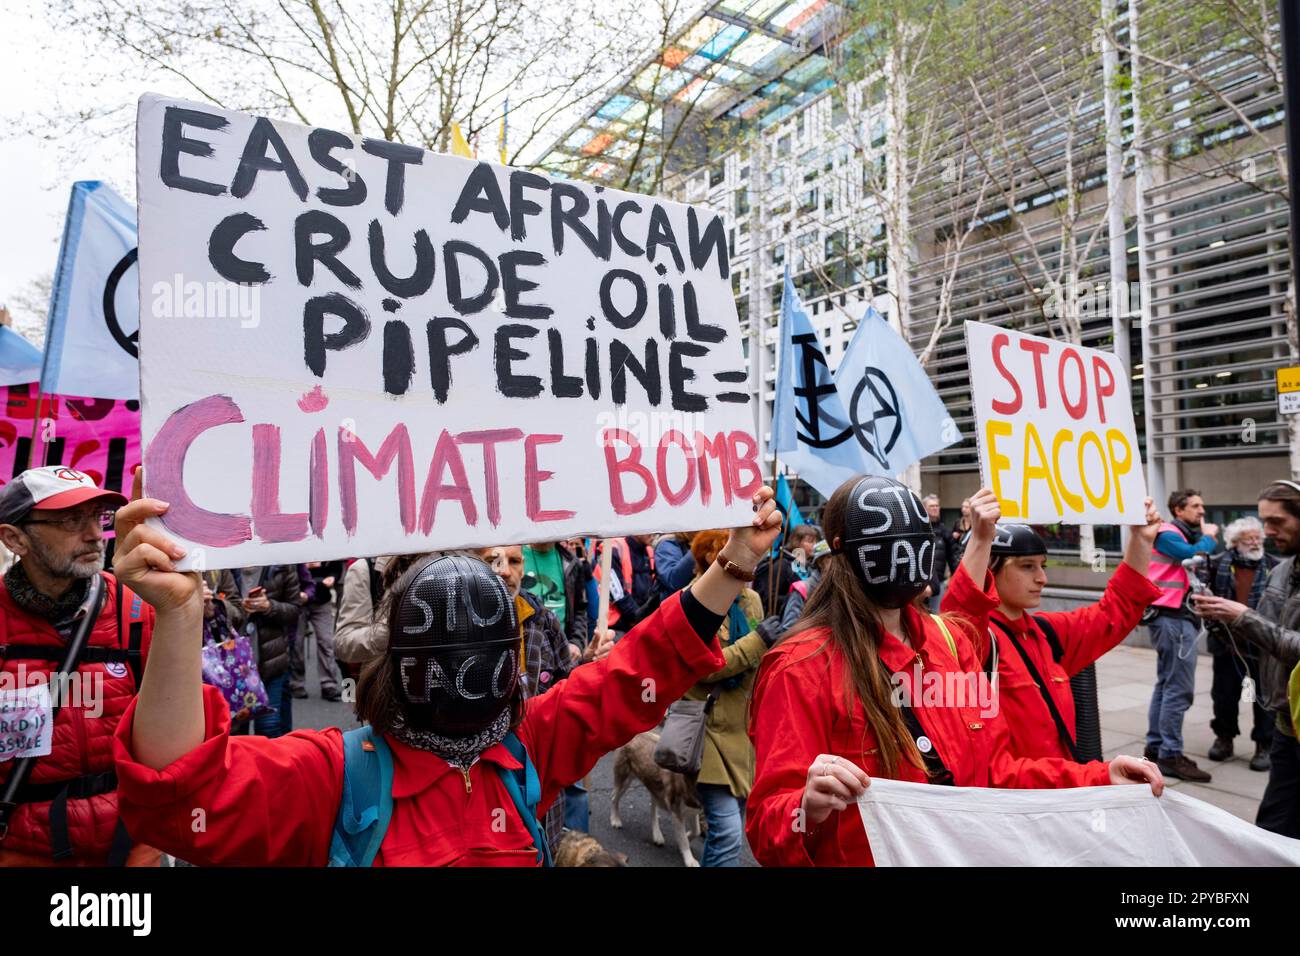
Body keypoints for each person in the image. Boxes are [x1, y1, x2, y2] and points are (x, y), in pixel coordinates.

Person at [109, 475, 783, 866]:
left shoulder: (530, 751)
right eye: (441, 644)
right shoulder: (330, 777)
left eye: (482, 644)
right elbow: (179, 800)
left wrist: (734, 565)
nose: (464, 666)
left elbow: (641, 665)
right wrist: (176, 617)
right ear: (394, 657)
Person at [745, 475, 1164, 867]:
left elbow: (996, 775)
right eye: (890, 542)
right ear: (843, 551)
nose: (906, 553)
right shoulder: (799, 667)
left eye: (914, 539)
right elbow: (767, 831)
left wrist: (1100, 777)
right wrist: (806, 806)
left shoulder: (950, 643)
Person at [0, 466, 156, 866]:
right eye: (70, 520)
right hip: (22, 849)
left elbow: (181, 735)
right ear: (14, 538)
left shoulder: (136, 608)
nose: (93, 534)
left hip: (131, 846)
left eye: (97, 517)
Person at [943, 492, 1162, 767]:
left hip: (1062, 795)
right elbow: (960, 618)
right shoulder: (976, 642)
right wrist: (981, 539)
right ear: (990, 568)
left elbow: (1113, 614)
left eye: (1042, 566)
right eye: (1027, 566)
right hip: (1011, 802)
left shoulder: (1047, 633)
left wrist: (1140, 541)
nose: (1042, 578)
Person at [1194, 480, 1300, 838]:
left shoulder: (1274, 565)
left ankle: (1260, 742)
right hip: (1287, 716)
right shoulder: (1284, 570)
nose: (1266, 533)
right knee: (1273, 825)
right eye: (1261, 523)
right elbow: (1269, 629)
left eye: (1277, 522)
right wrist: (1222, 615)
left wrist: (1242, 616)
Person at [677, 530, 770, 867]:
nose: (751, 566)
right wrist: (759, 641)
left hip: (744, 732)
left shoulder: (751, 599)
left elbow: (756, 662)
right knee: (728, 832)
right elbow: (703, 668)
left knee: (734, 825)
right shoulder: (691, 599)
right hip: (709, 732)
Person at [1144, 488, 1220, 782]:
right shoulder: (1166, 533)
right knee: (1178, 689)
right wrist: (1210, 536)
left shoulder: (1175, 532)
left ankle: (1155, 749)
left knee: (1166, 686)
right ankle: (1170, 755)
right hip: (1172, 620)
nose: (1202, 511)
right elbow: (1193, 555)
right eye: (1196, 506)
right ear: (1178, 509)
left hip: (1173, 619)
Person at [1202, 517, 1276, 771]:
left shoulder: (1274, 567)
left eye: (1258, 538)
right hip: (1227, 643)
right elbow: (1203, 598)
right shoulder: (1216, 565)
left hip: (1263, 644)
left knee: (1264, 699)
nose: (1256, 542)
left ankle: (1264, 745)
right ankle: (1224, 739)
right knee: (1223, 696)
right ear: (1235, 542)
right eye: (1249, 538)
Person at [229, 564, 304, 738]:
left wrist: (269, 607)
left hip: (272, 661)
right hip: (234, 664)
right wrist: (236, 608)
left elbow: (295, 610)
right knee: (236, 732)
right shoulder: (227, 564)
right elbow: (219, 606)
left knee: (268, 727)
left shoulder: (281, 565)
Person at [294, 561, 343, 702]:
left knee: (326, 641)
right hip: (299, 598)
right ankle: (296, 683)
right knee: (296, 643)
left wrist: (333, 576)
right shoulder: (296, 543)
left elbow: (336, 564)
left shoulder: (327, 544)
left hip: (322, 598)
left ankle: (328, 685)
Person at [780, 539, 832, 632]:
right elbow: (789, 629)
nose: (834, 561)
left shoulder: (842, 588)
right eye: (829, 557)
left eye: (837, 557)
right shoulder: (803, 589)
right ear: (820, 562)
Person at [922, 493, 950, 612]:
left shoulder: (945, 531)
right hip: (922, 585)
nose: (935, 508)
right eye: (932, 506)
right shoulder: (920, 529)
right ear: (924, 508)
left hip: (940, 582)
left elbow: (953, 555)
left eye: (937, 506)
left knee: (937, 616)